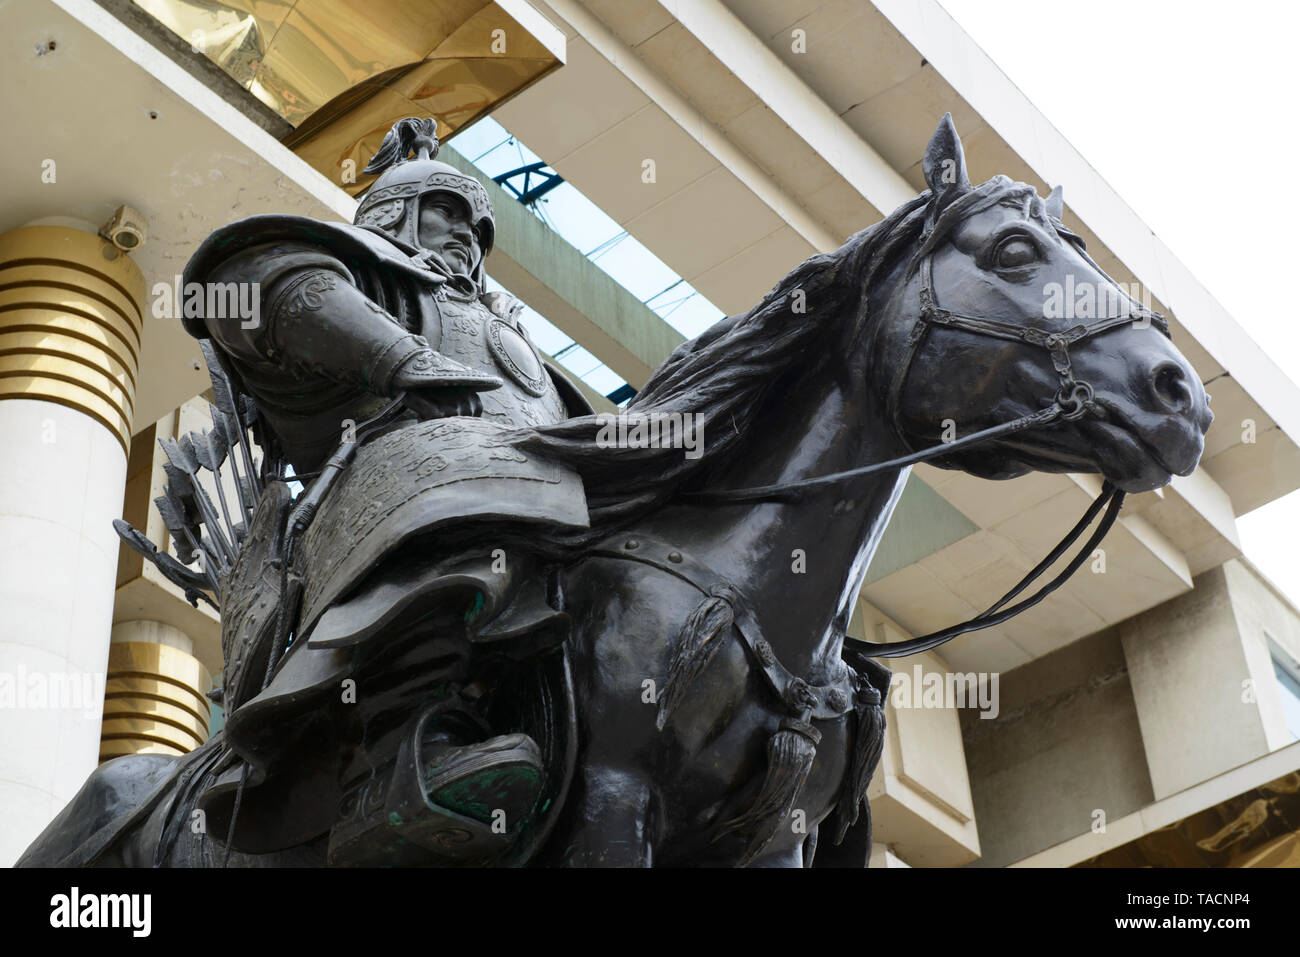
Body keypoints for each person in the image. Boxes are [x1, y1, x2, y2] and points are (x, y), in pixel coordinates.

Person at [180, 117, 592, 865]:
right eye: (448, 211)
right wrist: (399, 358)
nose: (467, 233)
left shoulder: (521, 343)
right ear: (396, 216)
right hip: (399, 491)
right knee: (467, 483)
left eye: (479, 224)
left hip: (535, 503)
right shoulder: (374, 279)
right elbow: (243, 286)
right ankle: (400, 746)